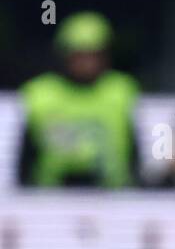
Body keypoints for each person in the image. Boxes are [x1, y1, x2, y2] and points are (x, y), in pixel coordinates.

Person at [17, 12, 140, 189]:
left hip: (112, 195)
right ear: (64, 56)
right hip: (51, 195)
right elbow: (26, 162)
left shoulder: (121, 91)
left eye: (93, 55)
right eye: (80, 56)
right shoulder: (40, 94)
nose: (87, 63)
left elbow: (134, 158)